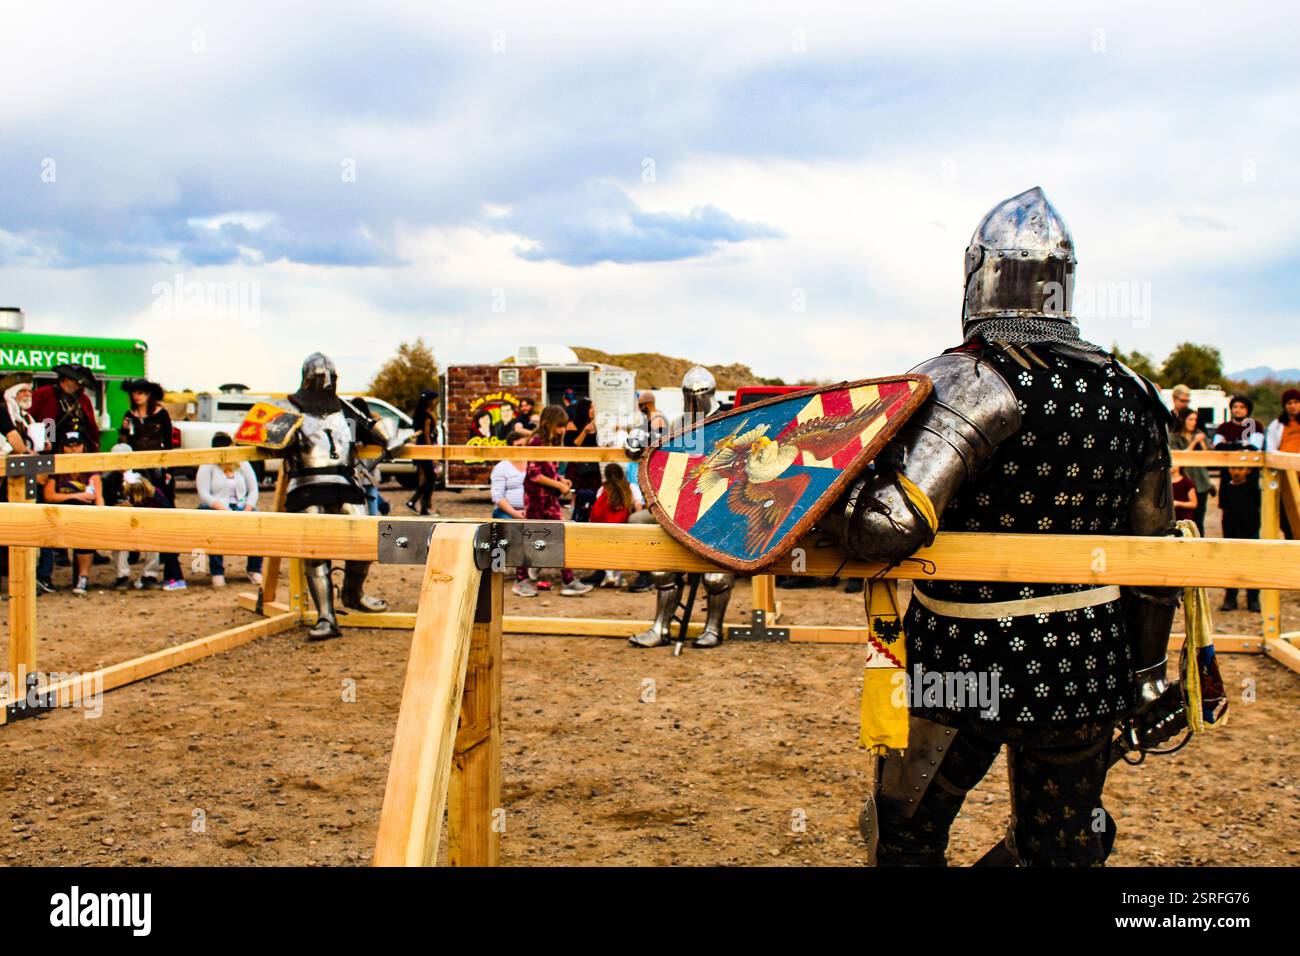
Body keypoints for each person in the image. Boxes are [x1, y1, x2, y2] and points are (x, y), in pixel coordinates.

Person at [822, 186, 1183, 866]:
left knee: (904, 837)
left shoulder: (963, 377)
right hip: (1085, 655)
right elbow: (1156, 557)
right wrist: (1148, 671)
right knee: (1060, 847)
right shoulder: (1129, 389)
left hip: (961, 648)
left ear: (978, 275)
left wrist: (821, 505)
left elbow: (891, 525)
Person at [280, 353, 404, 640]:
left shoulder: (346, 409)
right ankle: (326, 615)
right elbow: (269, 441)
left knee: (365, 537)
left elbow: (381, 435)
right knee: (315, 549)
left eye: (331, 378)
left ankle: (352, 593)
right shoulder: (290, 409)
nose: (327, 382)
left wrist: (391, 439)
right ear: (309, 379)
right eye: (322, 378)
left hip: (344, 482)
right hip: (305, 484)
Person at [624, 366, 735, 647]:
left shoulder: (730, 421)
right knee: (658, 559)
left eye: (700, 394)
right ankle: (661, 627)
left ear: (711, 394)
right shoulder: (676, 425)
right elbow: (646, 451)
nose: (695, 400)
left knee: (715, 576)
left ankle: (714, 628)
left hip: (717, 507)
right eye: (690, 394)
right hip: (678, 507)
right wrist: (639, 442)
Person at [513, 404, 591, 597]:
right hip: (535, 499)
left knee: (560, 535)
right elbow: (534, 475)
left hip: (548, 498)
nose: (562, 430)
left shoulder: (551, 441)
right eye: (560, 425)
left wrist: (560, 480)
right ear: (550, 423)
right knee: (531, 537)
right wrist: (559, 486)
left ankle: (568, 580)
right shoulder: (537, 442)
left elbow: (548, 472)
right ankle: (521, 579)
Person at [196, 433, 264, 587]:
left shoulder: (242, 464)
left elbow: (253, 489)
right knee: (211, 528)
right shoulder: (207, 465)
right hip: (217, 507)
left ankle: (254, 569)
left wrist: (248, 508)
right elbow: (204, 494)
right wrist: (222, 508)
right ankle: (217, 571)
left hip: (241, 506)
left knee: (259, 523)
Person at [40, 431, 104, 595]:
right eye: (69, 446)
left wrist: (101, 516)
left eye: (77, 445)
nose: (73, 450)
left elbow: (98, 496)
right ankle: (44, 576)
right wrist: (77, 495)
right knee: (42, 534)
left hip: (83, 514)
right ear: (63, 448)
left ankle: (83, 576)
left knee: (85, 534)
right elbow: (49, 495)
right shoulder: (58, 467)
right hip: (59, 514)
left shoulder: (90, 468)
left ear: (83, 447)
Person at [584, 462, 643, 588]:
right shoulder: (631, 487)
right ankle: (616, 576)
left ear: (605, 476)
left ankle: (606, 574)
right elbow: (638, 506)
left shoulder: (602, 489)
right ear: (622, 474)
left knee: (604, 549)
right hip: (622, 526)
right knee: (619, 549)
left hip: (603, 527)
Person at [1218, 462, 1261, 613]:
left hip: (1250, 531)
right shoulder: (1225, 488)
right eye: (1234, 468)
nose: (1237, 472)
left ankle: (1253, 599)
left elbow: (1257, 508)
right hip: (1231, 531)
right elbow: (1224, 508)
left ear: (1248, 470)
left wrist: (1253, 529)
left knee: (1252, 566)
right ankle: (1230, 598)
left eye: (1240, 468)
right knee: (1231, 566)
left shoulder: (1253, 488)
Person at [31, 364, 100, 452]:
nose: (78, 386)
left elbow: (91, 426)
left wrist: (94, 444)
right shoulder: (45, 394)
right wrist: (47, 442)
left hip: (80, 449)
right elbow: (37, 421)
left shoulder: (83, 399)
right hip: (54, 448)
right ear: (66, 379)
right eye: (76, 382)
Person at [1170, 406, 1213, 534]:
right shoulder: (1174, 437)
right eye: (1190, 419)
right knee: (1182, 519)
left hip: (1201, 482)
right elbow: (1180, 456)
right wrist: (1194, 443)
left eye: (1195, 420)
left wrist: (1203, 443)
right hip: (1183, 481)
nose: (1193, 422)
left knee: (1199, 520)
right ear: (1183, 420)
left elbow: (1210, 457)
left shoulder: (1199, 434)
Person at [1265, 388, 1300, 538]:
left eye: (1296, 402)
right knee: (1286, 516)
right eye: (1289, 403)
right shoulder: (1277, 424)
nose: (1293, 406)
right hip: (1285, 475)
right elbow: (1271, 449)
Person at [564, 398, 601, 522]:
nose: (593, 410)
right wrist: (584, 431)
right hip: (577, 467)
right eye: (591, 408)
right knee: (577, 496)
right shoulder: (572, 425)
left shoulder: (593, 425)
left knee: (592, 495)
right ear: (584, 409)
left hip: (592, 466)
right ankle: (574, 519)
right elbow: (571, 447)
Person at [406, 388, 439, 515]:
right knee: (431, 476)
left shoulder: (419, 414)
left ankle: (415, 502)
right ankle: (421, 505)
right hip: (425, 448)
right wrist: (432, 453)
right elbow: (426, 435)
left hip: (421, 447)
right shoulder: (427, 417)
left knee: (428, 477)